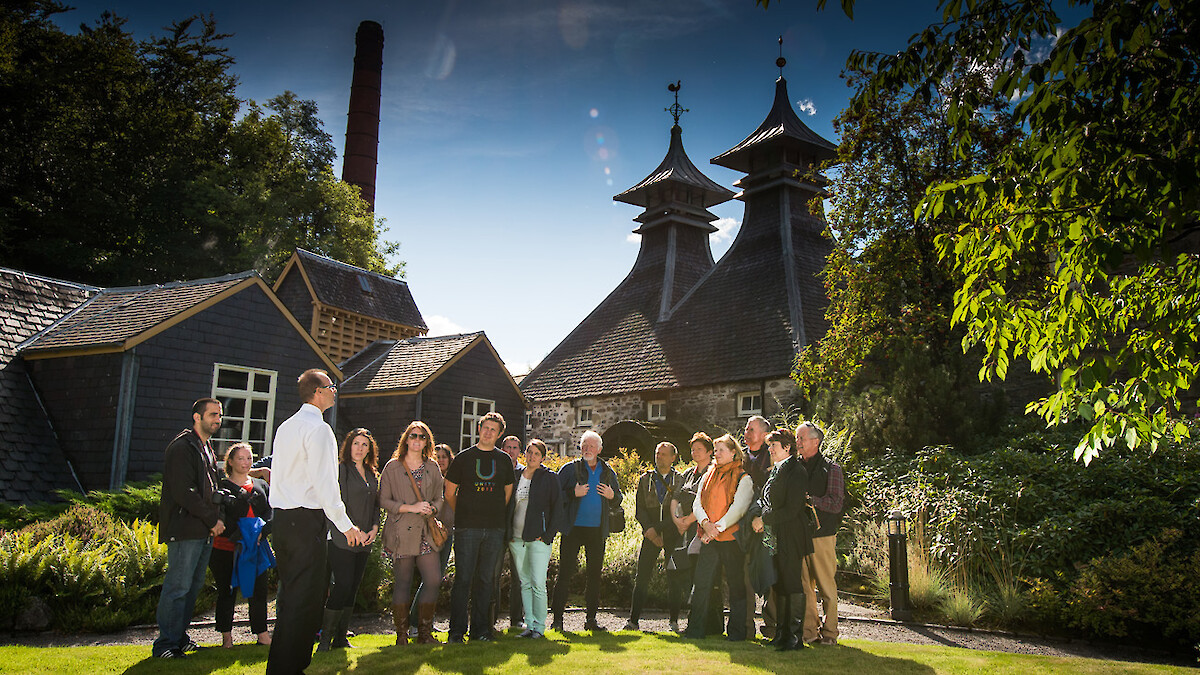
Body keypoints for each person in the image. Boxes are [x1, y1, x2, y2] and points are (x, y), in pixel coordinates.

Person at [267, 370, 366, 675]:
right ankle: (290, 668)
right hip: (305, 521)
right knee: (305, 602)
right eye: (331, 387)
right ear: (318, 392)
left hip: (282, 521)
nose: (335, 391)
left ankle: (283, 667)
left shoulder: (285, 426)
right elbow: (325, 483)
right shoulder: (319, 429)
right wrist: (345, 524)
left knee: (292, 599)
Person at [153, 398, 225, 659]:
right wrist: (212, 520)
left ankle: (179, 639)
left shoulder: (206, 447)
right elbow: (185, 492)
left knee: (192, 587)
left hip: (202, 530)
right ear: (197, 417)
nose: (218, 419)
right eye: (213, 415)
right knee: (178, 586)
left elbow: (213, 489)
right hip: (184, 528)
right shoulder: (182, 447)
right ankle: (164, 645)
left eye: (219, 415)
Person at [443, 411, 515, 643]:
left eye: (493, 429)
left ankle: (480, 631)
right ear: (479, 428)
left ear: (499, 434)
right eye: (485, 427)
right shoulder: (463, 458)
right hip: (466, 528)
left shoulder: (503, 460)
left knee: (486, 580)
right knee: (463, 579)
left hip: (494, 529)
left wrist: (489, 513)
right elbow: (449, 493)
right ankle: (456, 632)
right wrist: (465, 513)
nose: (488, 432)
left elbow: (506, 494)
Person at [380, 421, 446, 645]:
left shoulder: (432, 467)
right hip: (401, 531)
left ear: (427, 441)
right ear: (406, 439)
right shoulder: (392, 467)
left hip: (426, 531)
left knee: (434, 579)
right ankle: (401, 636)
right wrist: (412, 508)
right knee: (403, 583)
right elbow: (384, 500)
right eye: (413, 436)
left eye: (422, 437)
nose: (417, 440)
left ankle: (424, 634)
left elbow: (440, 498)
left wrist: (433, 508)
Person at [551, 430, 623, 632]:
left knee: (594, 576)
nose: (587, 449)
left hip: (597, 531)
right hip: (572, 529)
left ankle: (591, 620)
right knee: (564, 574)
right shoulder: (569, 470)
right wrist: (571, 493)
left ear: (600, 449)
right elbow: (554, 497)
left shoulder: (608, 471)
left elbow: (619, 498)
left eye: (591, 446)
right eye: (584, 446)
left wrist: (611, 495)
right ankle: (557, 620)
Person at [684, 433, 755, 641]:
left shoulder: (744, 478)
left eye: (721, 450)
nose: (717, 454)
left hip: (731, 540)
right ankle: (695, 631)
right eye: (715, 450)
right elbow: (697, 504)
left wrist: (717, 529)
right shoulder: (708, 475)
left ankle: (737, 634)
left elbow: (739, 508)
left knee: (736, 586)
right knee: (702, 584)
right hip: (709, 538)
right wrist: (706, 525)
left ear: (734, 453)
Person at [317, 428, 380, 652]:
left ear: (369, 449)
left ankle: (340, 639)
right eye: (356, 443)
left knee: (352, 587)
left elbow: (375, 505)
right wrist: (352, 530)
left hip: (365, 540)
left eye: (364, 444)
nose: (360, 448)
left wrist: (374, 529)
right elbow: (336, 503)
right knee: (342, 585)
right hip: (342, 537)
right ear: (348, 446)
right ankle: (325, 640)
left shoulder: (372, 473)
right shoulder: (341, 470)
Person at [751, 428, 813, 650]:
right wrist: (759, 516)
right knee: (779, 585)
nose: (770, 450)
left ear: (787, 447)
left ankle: (794, 637)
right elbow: (766, 500)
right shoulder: (775, 471)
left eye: (774, 446)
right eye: (769, 446)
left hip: (791, 535)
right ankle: (781, 633)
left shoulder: (797, 471)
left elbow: (792, 509)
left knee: (791, 583)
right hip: (775, 536)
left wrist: (764, 519)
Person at [209, 442, 272, 649]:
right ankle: (227, 637)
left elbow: (271, 512)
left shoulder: (261, 485)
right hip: (227, 547)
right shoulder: (222, 487)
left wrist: (262, 531)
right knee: (227, 591)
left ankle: (262, 634)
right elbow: (220, 517)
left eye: (249, 458)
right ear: (230, 461)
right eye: (241, 458)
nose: (246, 463)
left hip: (256, 547)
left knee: (259, 591)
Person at [625, 441, 686, 633]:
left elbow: (678, 511)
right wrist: (649, 530)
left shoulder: (680, 480)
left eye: (663, 454)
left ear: (673, 458)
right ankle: (633, 621)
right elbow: (640, 509)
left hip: (672, 534)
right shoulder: (645, 479)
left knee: (673, 578)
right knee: (641, 577)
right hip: (650, 533)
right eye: (657, 454)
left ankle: (674, 622)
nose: (659, 457)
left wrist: (657, 529)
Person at [797, 421, 844, 646]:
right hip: (800, 535)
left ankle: (830, 634)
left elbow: (835, 504)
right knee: (805, 588)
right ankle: (810, 633)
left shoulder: (832, 468)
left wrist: (810, 501)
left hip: (823, 535)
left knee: (826, 587)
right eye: (797, 439)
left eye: (802, 439)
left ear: (815, 441)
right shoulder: (793, 467)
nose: (798, 443)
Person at [670, 432, 722, 636]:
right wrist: (677, 520)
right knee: (692, 578)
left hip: (705, 530)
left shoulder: (713, 472)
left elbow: (708, 503)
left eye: (699, 449)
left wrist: (689, 520)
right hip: (686, 531)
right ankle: (697, 622)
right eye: (693, 449)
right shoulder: (688, 473)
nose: (695, 452)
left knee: (710, 579)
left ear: (710, 452)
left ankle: (713, 625)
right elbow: (675, 496)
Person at [508, 439, 561, 639]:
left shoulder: (549, 478)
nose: (531, 456)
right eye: (529, 452)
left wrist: (548, 536)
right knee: (525, 582)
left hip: (538, 539)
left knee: (538, 582)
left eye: (536, 454)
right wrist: (509, 535)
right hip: (516, 538)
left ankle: (539, 626)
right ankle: (529, 624)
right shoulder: (516, 476)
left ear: (543, 458)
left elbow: (558, 509)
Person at [407, 443, 456, 637]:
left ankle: (426, 621)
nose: (441, 459)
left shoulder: (452, 481)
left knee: (435, 580)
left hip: (448, 533)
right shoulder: (428, 479)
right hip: (430, 533)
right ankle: (414, 623)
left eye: (445, 456)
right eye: (438, 456)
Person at [742, 414, 774, 638]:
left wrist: (761, 517)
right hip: (741, 525)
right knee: (744, 576)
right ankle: (745, 627)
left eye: (751, 429)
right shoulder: (739, 457)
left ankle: (772, 626)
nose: (745, 432)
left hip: (766, 524)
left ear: (764, 435)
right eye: (745, 428)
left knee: (770, 574)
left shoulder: (772, 457)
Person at [491, 434, 525, 630]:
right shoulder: (495, 469)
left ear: (519, 451)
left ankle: (516, 619)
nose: (511, 451)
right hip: (496, 527)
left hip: (517, 530)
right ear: (502, 449)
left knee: (518, 576)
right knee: (493, 574)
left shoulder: (525, 473)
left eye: (514, 448)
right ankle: (491, 616)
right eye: (507, 447)